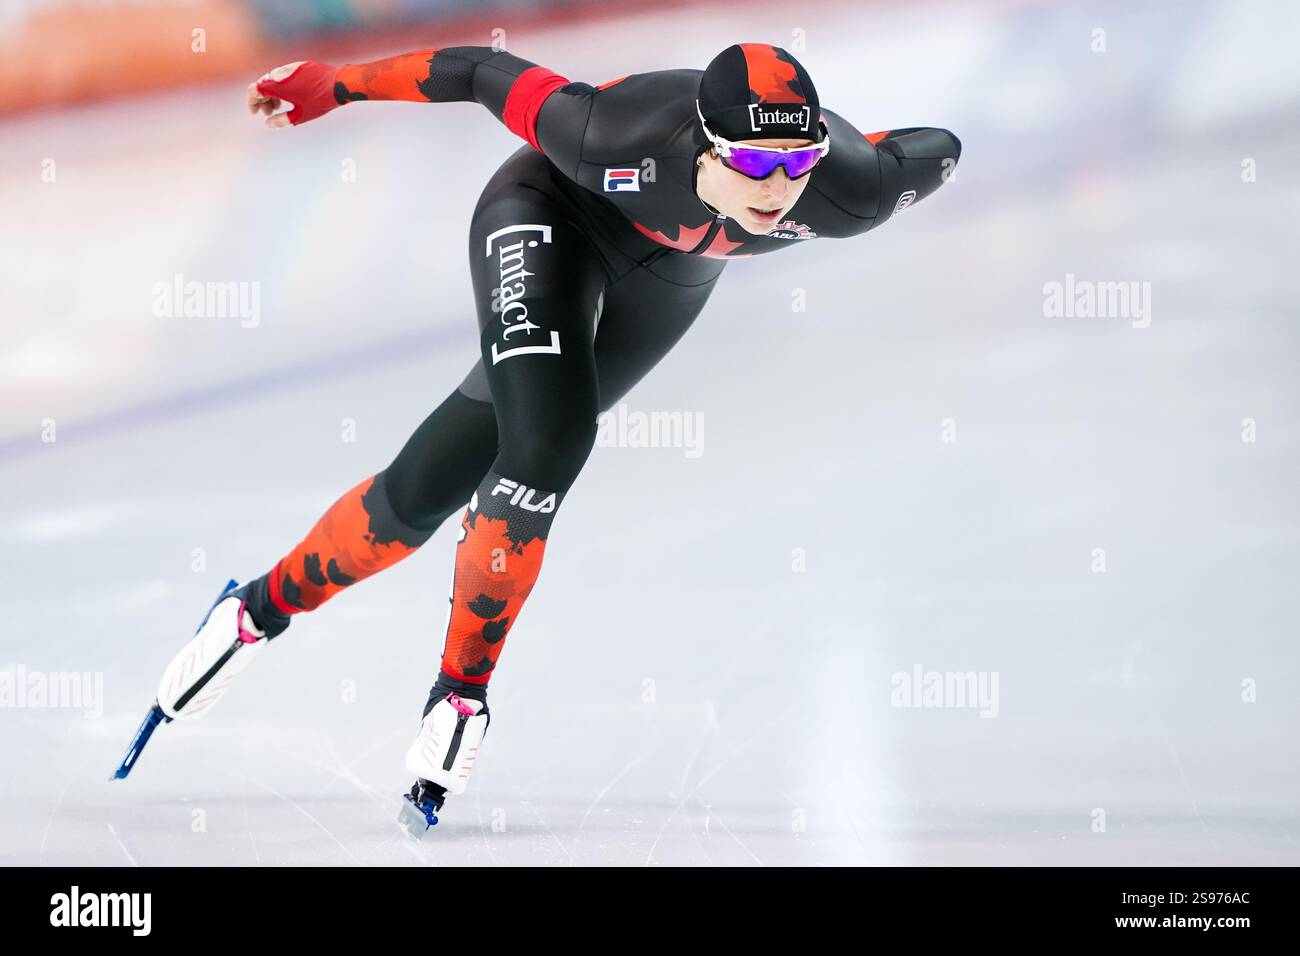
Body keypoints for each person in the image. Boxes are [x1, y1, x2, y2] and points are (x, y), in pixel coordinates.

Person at [127, 41, 961, 827]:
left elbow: (935, 145)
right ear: (705, 148)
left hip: (671, 280)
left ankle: (255, 606)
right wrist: (337, 84)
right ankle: (459, 693)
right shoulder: (607, 133)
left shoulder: (852, 189)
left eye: (797, 162)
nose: (778, 187)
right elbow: (481, 70)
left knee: (423, 492)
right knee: (550, 444)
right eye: (751, 161)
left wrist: (844, 147)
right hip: (546, 217)